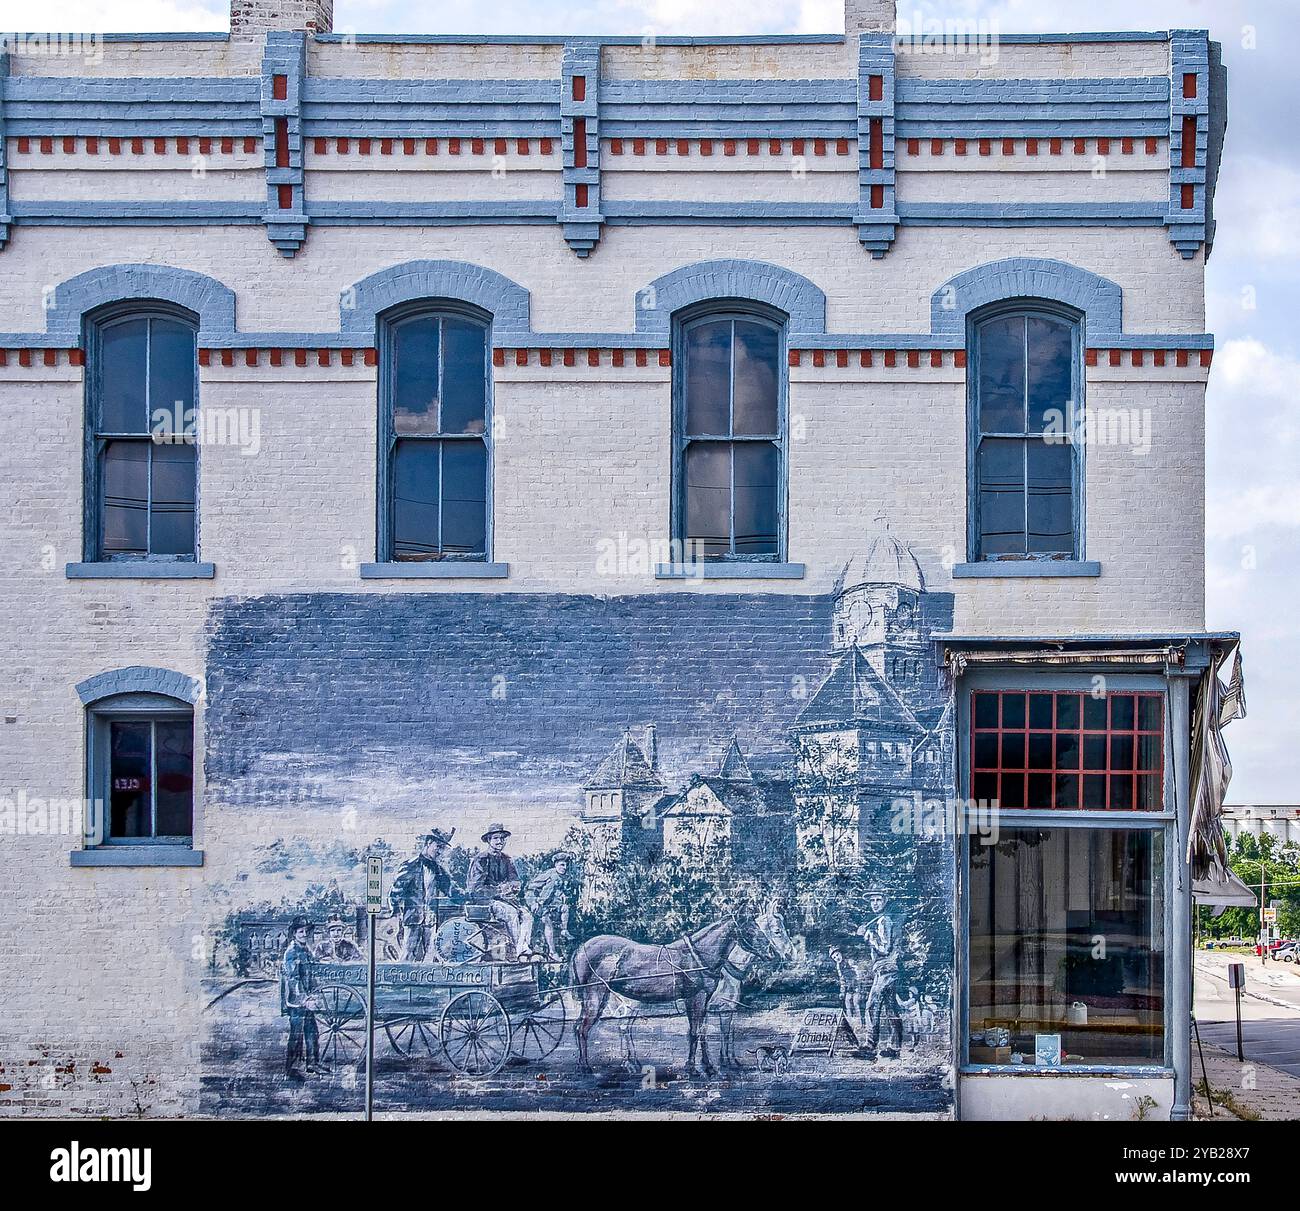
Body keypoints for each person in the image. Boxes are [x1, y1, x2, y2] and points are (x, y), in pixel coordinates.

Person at [466, 824, 536, 960]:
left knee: (527, 916)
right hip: (485, 902)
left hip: (506, 900)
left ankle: (524, 949)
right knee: (511, 913)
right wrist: (498, 890)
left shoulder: (507, 860)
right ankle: (518, 952)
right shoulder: (481, 860)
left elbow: (515, 881)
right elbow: (475, 889)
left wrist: (514, 887)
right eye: (496, 838)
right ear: (488, 840)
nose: (500, 841)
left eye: (502, 838)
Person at [389, 829, 457, 962]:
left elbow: (451, 890)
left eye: (442, 849)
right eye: (438, 847)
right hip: (413, 919)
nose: (440, 852)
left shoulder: (438, 869)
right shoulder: (410, 865)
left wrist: (469, 898)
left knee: (430, 955)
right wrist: (395, 913)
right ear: (429, 843)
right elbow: (396, 891)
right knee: (408, 954)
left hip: (431, 920)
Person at [856, 889, 902, 1059]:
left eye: (878, 899)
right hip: (888, 969)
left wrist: (867, 935)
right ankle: (895, 1047)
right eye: (872, 900)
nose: (875, 903)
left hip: (885, 969)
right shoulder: (881, 920)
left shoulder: (884, 921)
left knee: (871, 1005)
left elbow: (884, 948)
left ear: (884, 901)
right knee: (891, 1009)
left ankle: (869, 1045)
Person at [282, 916, 323, 1081]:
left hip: (308, 999)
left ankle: (313, 1063)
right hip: (297, 1001)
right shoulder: (291, 952)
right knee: (296, 1035)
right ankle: (292, 1068)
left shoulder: (306, 950)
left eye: (306, 931)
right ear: (294, 933)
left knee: (312, 1032)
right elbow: (294, 979)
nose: (304, 934)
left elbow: (311, 975)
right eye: (300, 931)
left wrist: (315, 994)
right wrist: (305, 999)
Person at [524, 853, 574, 960]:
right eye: (561, 865)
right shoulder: (549, 874)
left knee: (565, 908)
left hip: (555, 905)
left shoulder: (566, 877)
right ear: (555, 865)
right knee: (547, 922)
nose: (564, 868)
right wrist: (533, 902)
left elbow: (563, 891)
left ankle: (564, 930)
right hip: (542, 904)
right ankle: (552, 952)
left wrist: (564, 896)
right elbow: (531, 886)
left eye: (565, 865)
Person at [828, 942, 865, 1031]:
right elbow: (842, 979)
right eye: (834, 957)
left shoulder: (849, 961)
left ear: (840, 953)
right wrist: (842, 990)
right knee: (847, 1003)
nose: (837, 958)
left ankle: (861, 1024)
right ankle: (852, 1023)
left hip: (856, 984)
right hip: (849, 986)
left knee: (856, 1003)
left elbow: (858, 971)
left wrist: (859, 984)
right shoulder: (838, 966)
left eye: (837, 955)